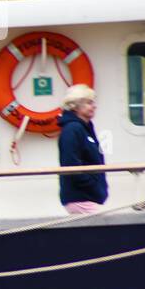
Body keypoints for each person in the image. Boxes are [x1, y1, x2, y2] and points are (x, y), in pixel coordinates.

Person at [58, 84, 108, 214]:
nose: (94, 106)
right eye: (89, 103)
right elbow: (70, 165)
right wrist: (93, 186)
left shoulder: (84, 128)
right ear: (76, 106)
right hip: (81, 197)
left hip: (88, 197)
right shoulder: (72, 130)